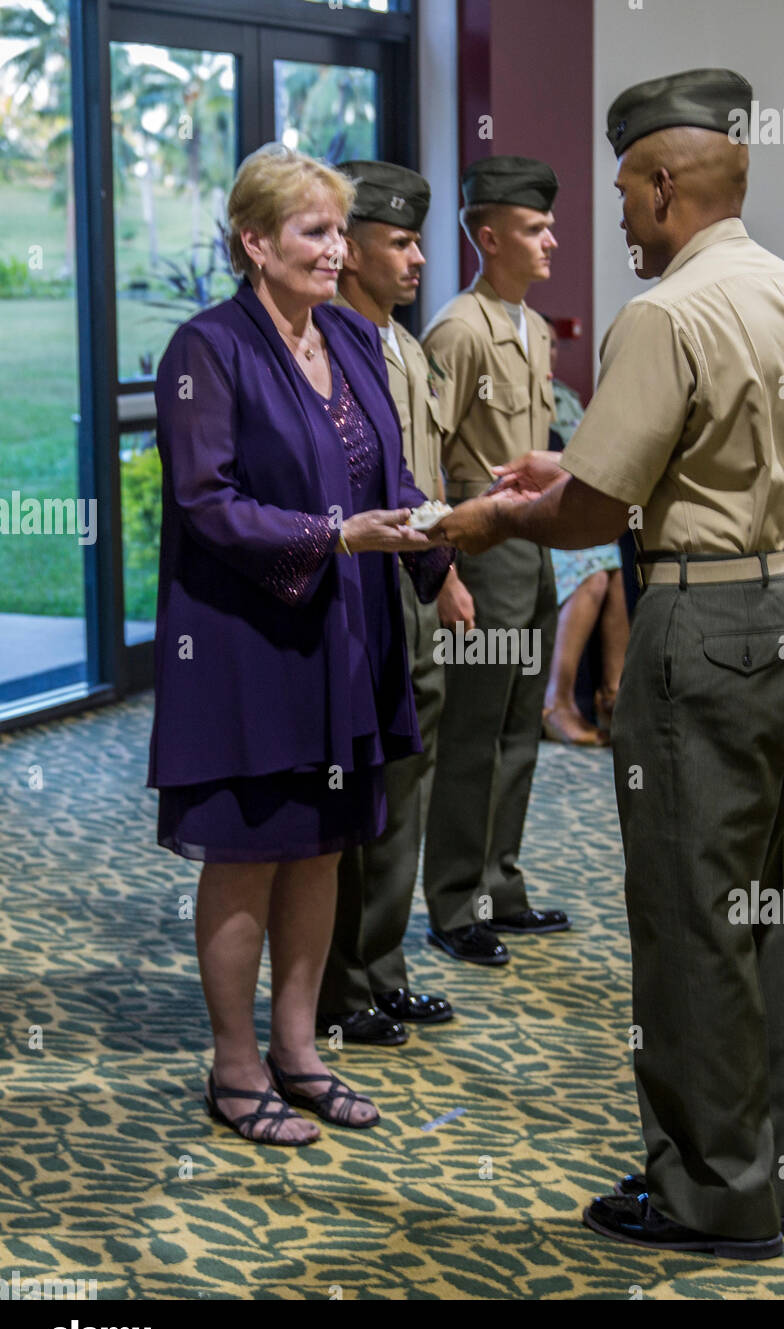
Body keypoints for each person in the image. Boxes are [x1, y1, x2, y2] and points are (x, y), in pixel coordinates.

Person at [433, 68, 784, 1259]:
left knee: (686, 917)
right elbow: (708, 464)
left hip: (703, 635)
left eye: (622, 189)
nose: (612, 215)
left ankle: (706, 1196)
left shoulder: (665, 312)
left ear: (667, 183)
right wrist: (567, 483)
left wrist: (502, 515)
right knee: (761, 912)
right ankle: (761, 1172)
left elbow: (600, 508)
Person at [147, 144, 452, 1144]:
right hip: (245, 647)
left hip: (345, 636)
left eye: (337, 230)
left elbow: (389, 485)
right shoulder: (207, 349)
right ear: (254, 243)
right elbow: (205, 504)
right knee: (247, 853)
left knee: (320, 849)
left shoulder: (355, 344)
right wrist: (333, 538)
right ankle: (234, 1068)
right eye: (314, 232)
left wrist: (435, 565)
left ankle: (297, 1049)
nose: (336, 250)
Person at [316, 160, 454, 1045]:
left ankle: (383, 965)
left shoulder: (405, 347)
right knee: (353, 793)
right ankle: (338, 988)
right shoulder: (321, 345)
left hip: (417, 583)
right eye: (398, 242)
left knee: (405, 789)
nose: (416, 260)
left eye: (417, 241)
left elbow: (424, 476)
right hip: (352, 586)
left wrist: (447, 571)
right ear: (351, 247)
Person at [420, 155, 570, 967]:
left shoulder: (532, 327)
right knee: (471, 732)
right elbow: (425, 453)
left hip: (531, 545)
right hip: (481, 549)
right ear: (488, 236)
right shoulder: (458, 329)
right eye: (535, 229)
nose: (553, 240)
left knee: (519, 727)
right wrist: (441, 566)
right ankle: (452, 902)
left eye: (550, 226)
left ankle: (497, 887)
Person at [542, 322, 627, 746]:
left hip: (572, 515)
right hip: (533, 523)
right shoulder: (523, 398)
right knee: (597, 574)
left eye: (556, 345)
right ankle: (556, 702)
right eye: (545, 344)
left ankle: (613, 694)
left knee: (614, 566)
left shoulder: (570, 400)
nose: (552, 352)